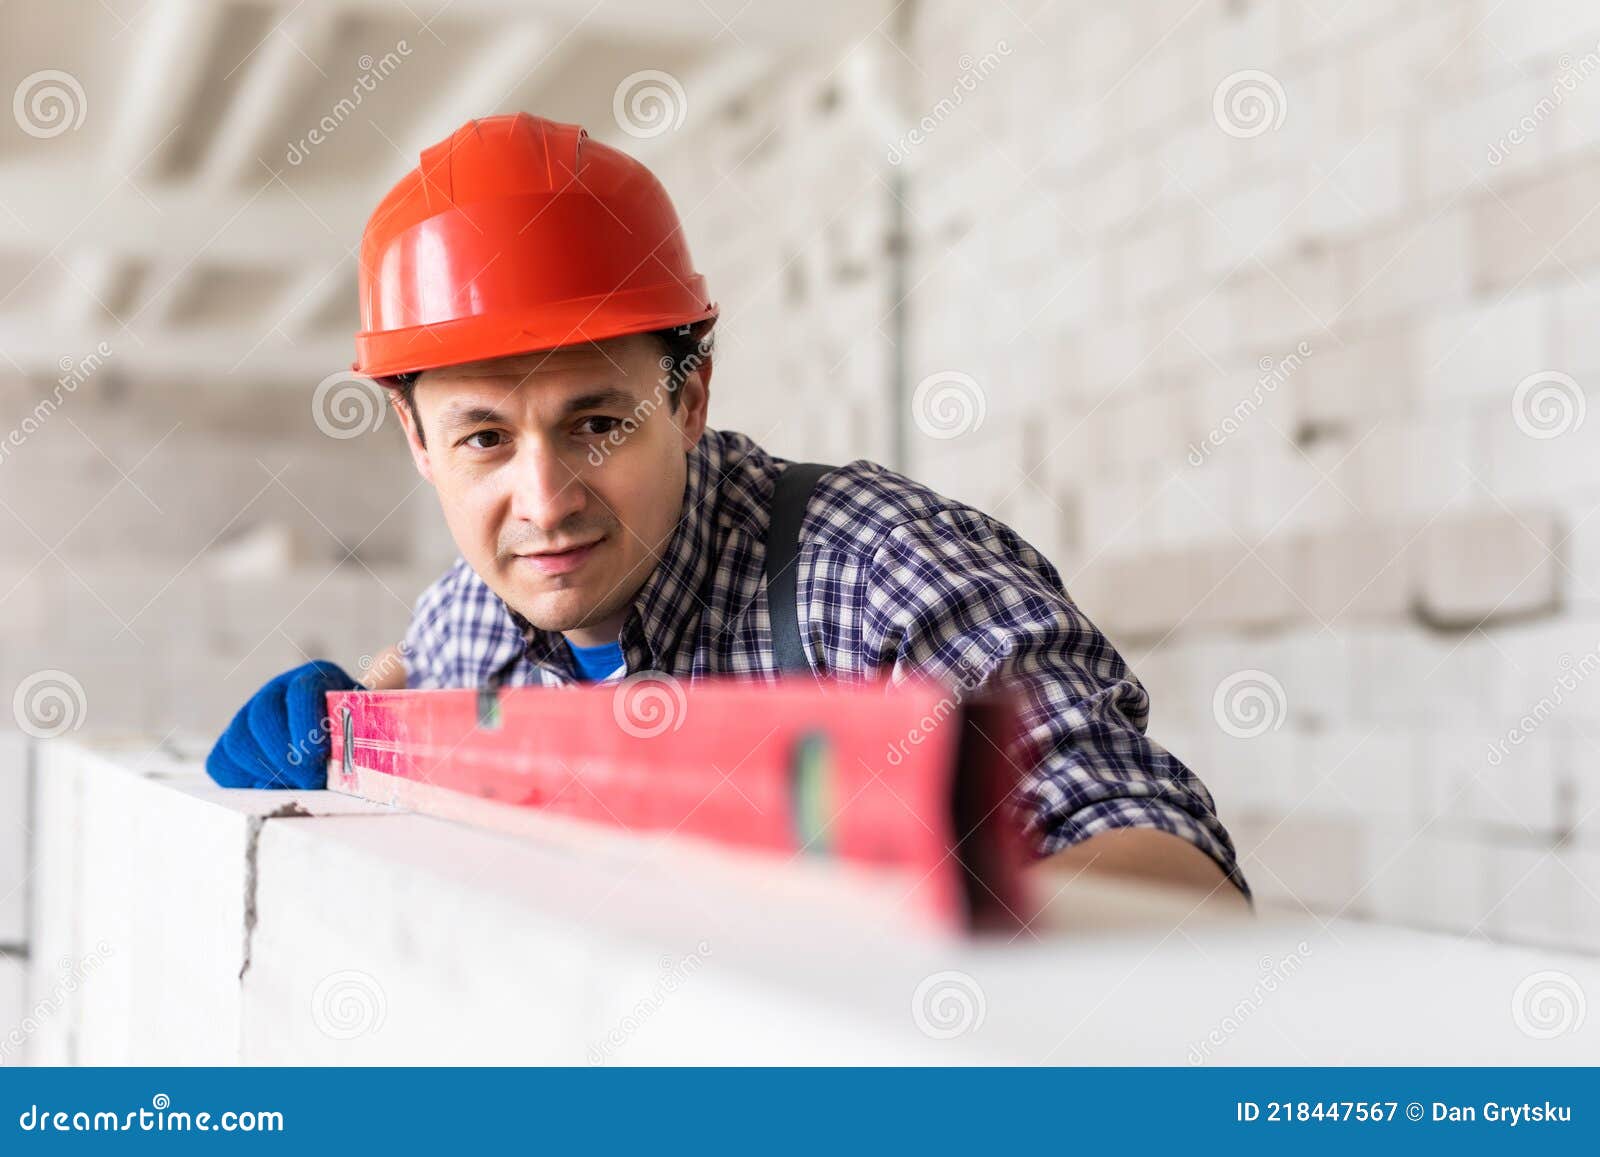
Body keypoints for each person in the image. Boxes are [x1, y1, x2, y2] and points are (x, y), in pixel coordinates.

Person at [206, 113, 1250, 904]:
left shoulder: (878, 576)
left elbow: (1181, 887)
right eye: (485, 438)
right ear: (418, 442)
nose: (545, 501)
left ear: (689, 397)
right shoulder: (460, 623)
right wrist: (347, 730)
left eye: (598, 424)